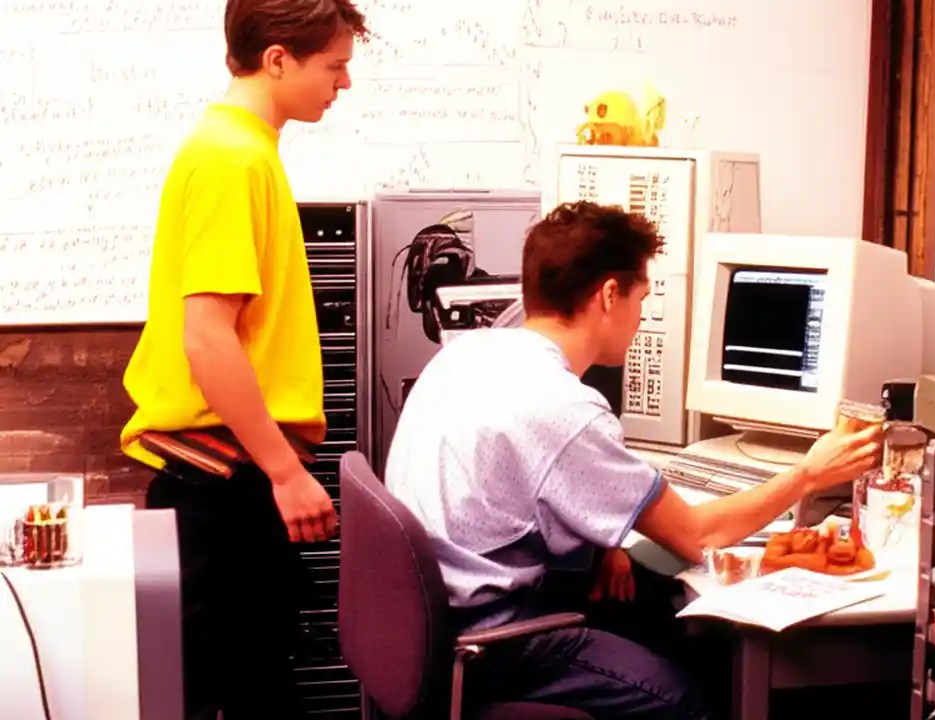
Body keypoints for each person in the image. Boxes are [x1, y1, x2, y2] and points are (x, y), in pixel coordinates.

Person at [384, 201, 883, 719]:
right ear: (608, 295)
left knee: (649, 605)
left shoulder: (469, 353)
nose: (641, 318)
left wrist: (607, 541)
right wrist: (808, 475)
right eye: (641, 298)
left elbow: (514, 485)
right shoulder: (564, 408)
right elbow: (697, 537)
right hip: (492, 644)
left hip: (428, 622)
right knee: (694, 702)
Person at [118, 1, 368, 717]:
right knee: (243, 692)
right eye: (335, 66)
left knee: (255, 684)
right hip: (223, 481)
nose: (345, 83)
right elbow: (207, 337)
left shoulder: (244, 148)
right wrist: (286, 473)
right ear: (278, 59)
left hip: (231, 476)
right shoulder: (232, 159)